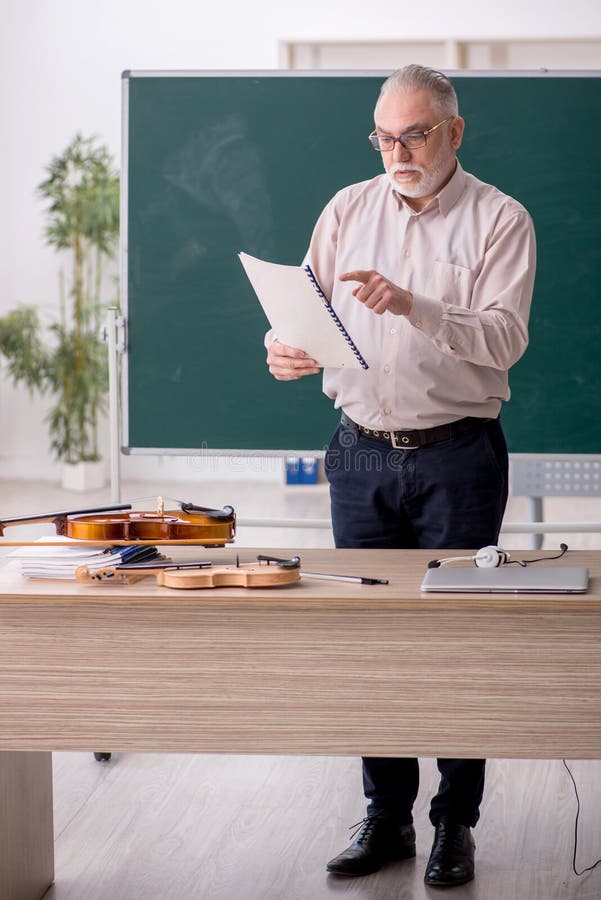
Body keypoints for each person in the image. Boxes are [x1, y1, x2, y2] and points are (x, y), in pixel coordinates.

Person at [265, 64, 536, 889]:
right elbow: (299, 315)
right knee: (370, 643)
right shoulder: (346, 209)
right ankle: (385, 817)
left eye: (414, 135)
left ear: (453, 133)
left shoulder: (499, 220)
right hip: (357, 454)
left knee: (458, 647)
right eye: (385, 136)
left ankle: (454, 823)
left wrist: (411, 304)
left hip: (457, 455)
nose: (398, 151)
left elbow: (502, 341)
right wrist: (282, 351)